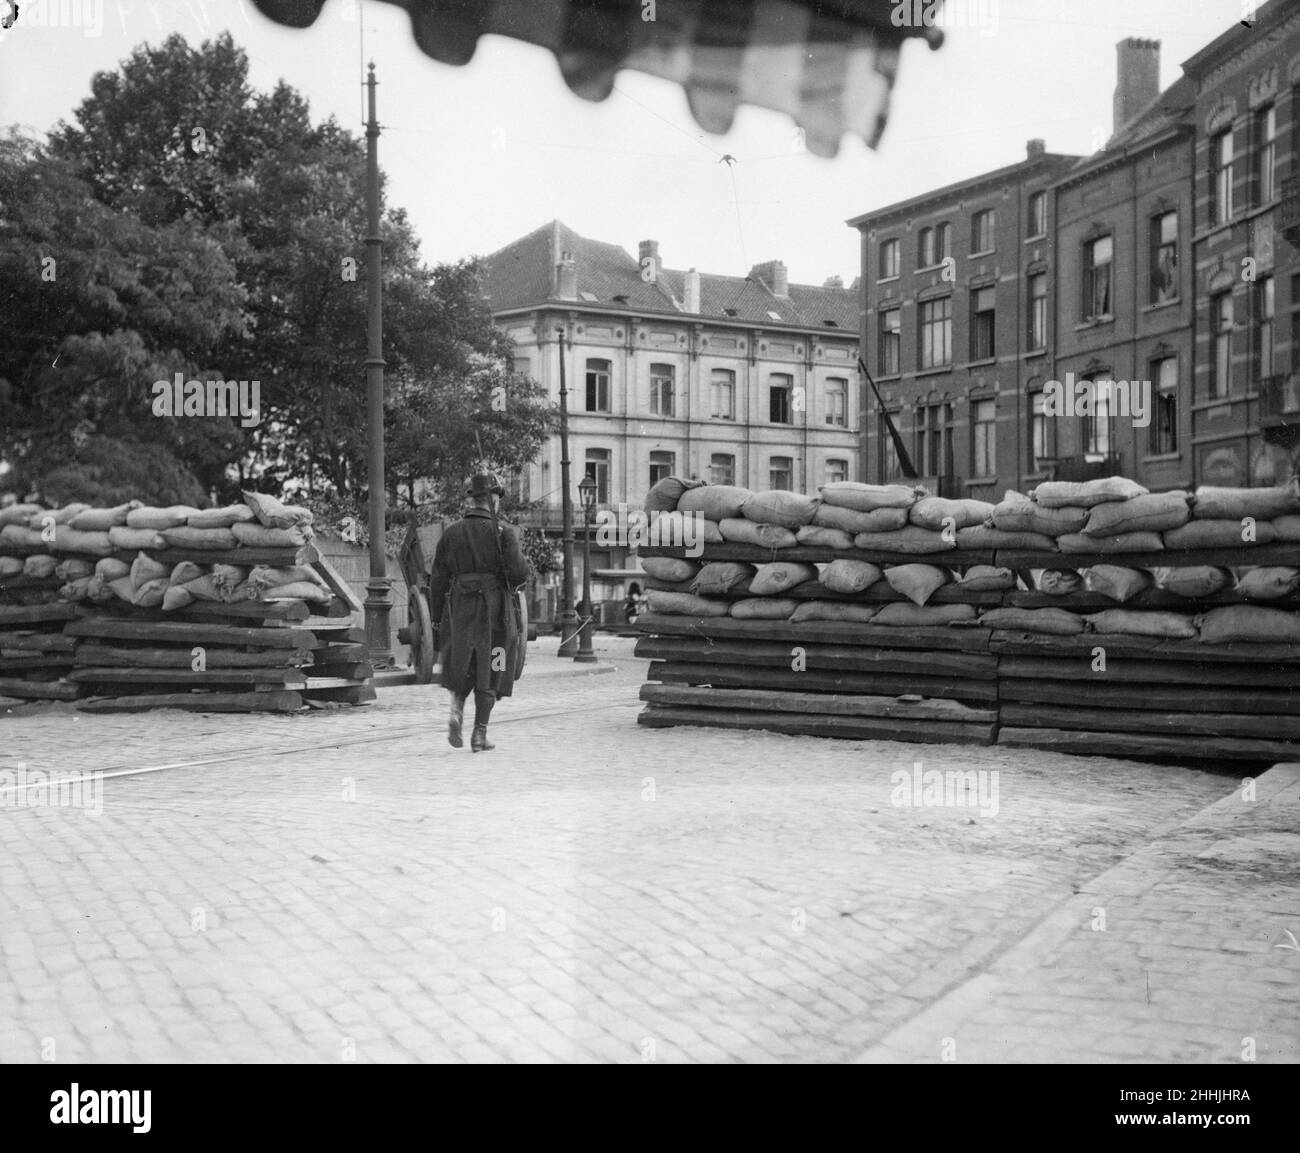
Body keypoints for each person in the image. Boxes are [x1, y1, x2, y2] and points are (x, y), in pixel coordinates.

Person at [428, 473, 529, 752]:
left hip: (461, 610)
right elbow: (518, 575)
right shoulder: (504, 533)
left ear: (471, 498)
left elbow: (437, 580)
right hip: (496, 614)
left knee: (463, 662)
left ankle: (456, 711)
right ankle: (479, 734)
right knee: (494, 666)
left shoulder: (451, 532)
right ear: (494, 500)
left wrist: (437, 617)